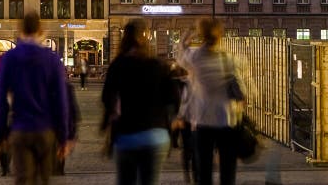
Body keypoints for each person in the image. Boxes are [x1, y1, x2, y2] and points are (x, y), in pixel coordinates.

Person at [0, 11, 70, 185]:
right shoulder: (51, 59)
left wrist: (1, 131)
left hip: (20, 129)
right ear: (40, 30)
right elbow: (61, 101)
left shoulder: (9, 59)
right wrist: (63, 136)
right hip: (45, 131)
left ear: (21, 30)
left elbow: (1, 98)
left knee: (23, 179)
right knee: (44, 179)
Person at [101, 19, 178, 185]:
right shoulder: (158, 65)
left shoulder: (118, 65)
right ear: (147, 38)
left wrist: (111, 118)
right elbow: (173, 98)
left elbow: (107, 98)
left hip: (127, 135)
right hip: (156, 136)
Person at [177, 17, 246, 185]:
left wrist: (187, 37)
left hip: (202, 121)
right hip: (226, 121)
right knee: (228, 172)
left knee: (203, 172)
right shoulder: (228, 59)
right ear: (220, 35)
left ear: (202, 34)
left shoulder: (194, 58)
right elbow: (241, 90)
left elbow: (180, 54)